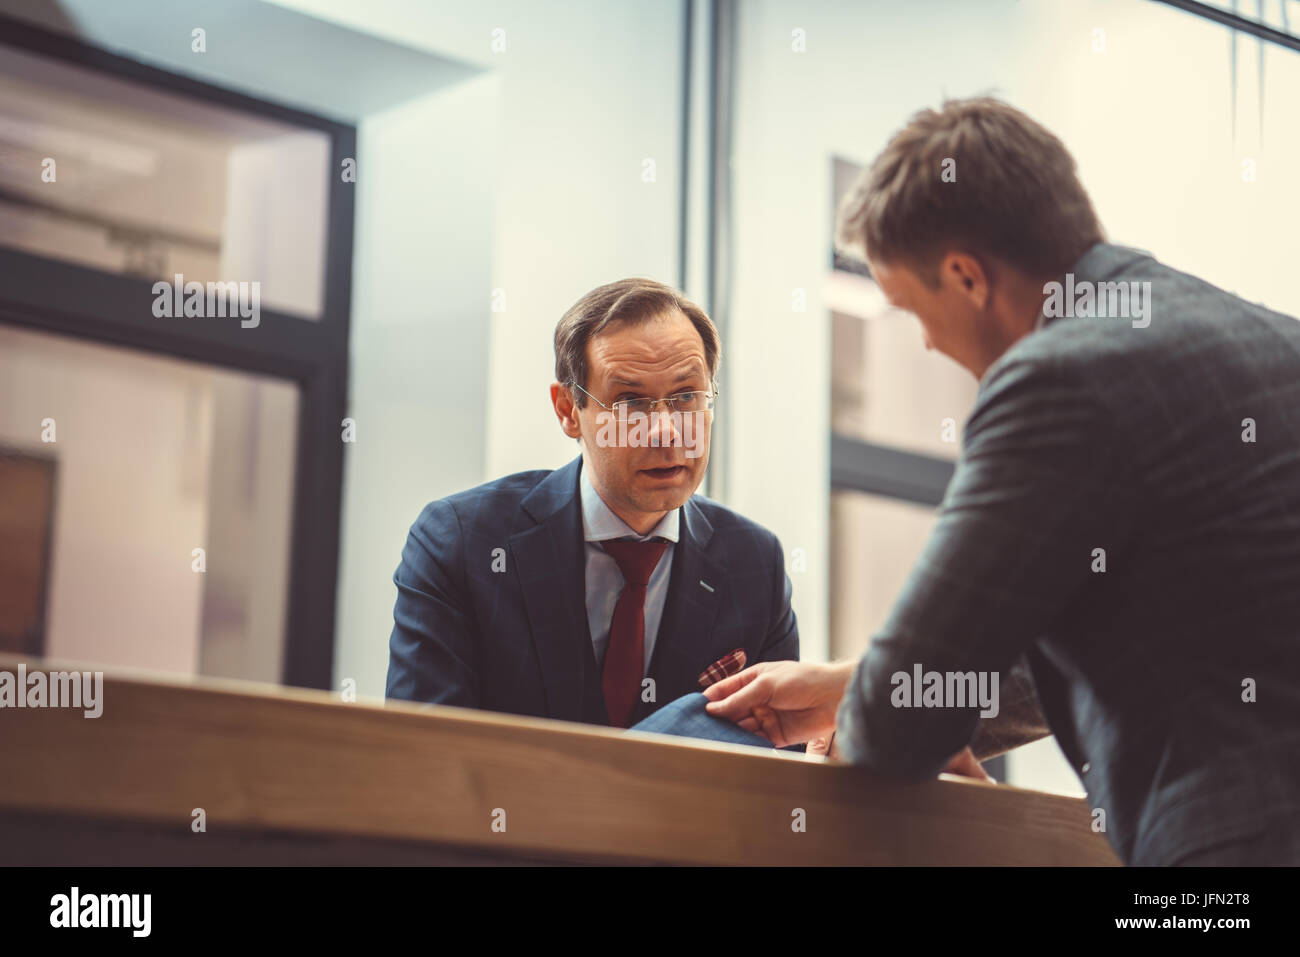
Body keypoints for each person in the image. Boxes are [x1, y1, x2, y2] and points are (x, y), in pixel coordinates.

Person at [705, 97, 1300, 866]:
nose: (922, 341)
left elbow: (898, 723)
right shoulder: (1274, 342)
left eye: (911, 310)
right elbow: (1186, 634)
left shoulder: (1060, 376)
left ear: (965, 276)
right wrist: (851, 685)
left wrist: (874, 707)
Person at [386, 278, 799, 734]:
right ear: (568, 410)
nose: (665, 431)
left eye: (686, 397)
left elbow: (775, 770)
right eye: (630, 402)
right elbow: (424, 753)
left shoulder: (754, 563)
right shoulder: (462, 542)